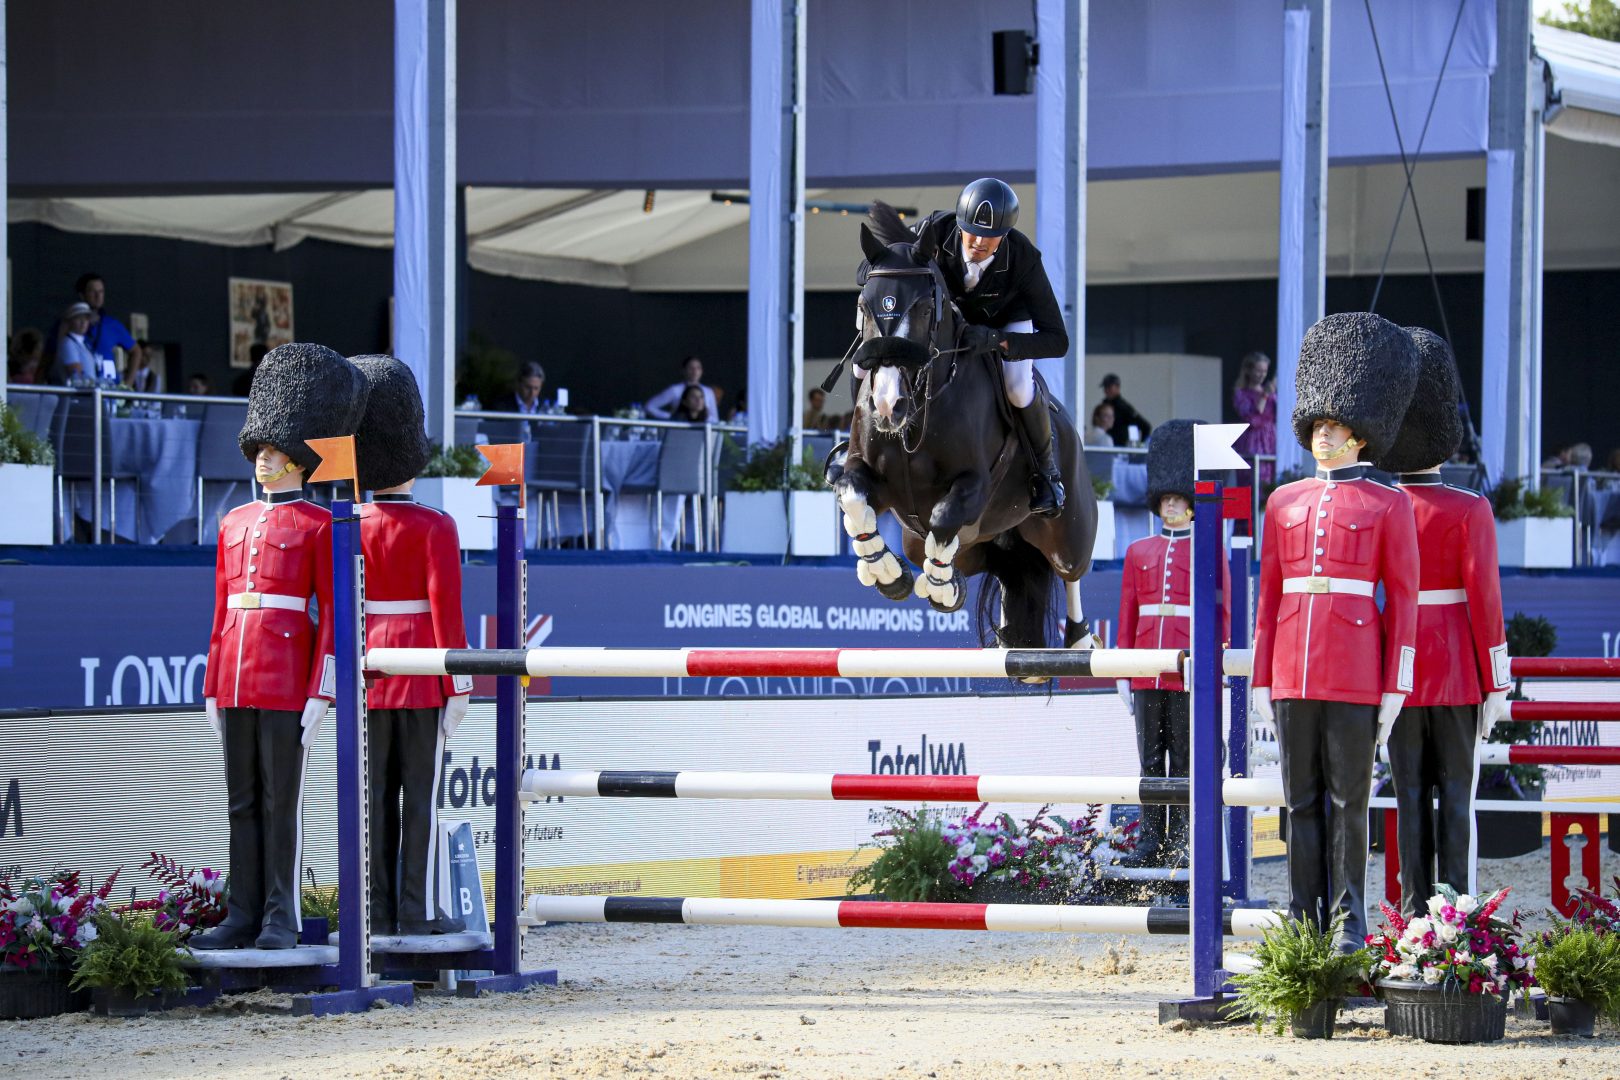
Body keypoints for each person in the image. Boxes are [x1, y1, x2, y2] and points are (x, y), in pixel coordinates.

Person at [1249, 311, 1420, 951]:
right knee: (1298, 803)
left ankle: (1350, 920)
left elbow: (1404, 601)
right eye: (1318, 425)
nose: (1323, 434)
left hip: (1354, 672)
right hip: (1292, 671)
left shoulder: (1388, 503)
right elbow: (1269, 597)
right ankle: (1304, 917)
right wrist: (1263, 675)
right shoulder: (1283, 501)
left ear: (1360, 437)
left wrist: (1396, 684)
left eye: (1336, 426)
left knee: (1351, 802)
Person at [192, 342, 368, 951]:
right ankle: (241, 912)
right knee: (241, 802)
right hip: (237, 676)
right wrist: (213, 684)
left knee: (279, 802)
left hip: (287, 679)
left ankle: (279, 915)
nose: (263, 459)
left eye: (273, 450)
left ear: (297, 459)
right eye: (260, 450)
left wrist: (323, 689)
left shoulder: (320, 525)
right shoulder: (234, 522)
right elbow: (221, 612)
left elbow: (335, 617)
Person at [1374, 328, 1511, 916]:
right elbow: (1486, 603)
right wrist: (1497, 681)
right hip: (1456, 671)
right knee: (1457, 798)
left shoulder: (1380, 504)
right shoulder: (1470, 508)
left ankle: (1412, 915)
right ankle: (1457, 916)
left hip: (1397, 671)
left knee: (1408, 799)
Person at [352, 353, 473, 936]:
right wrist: (461, 683)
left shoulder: (348, 522)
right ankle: (416, 908)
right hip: (424, 669)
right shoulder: (435, 525)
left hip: (369, 669)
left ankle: (375, 910)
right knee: (420, 800)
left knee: (374, 801)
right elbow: (446, 611)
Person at [911, 178, 1068, 515]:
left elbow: (1058, 340)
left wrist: (998, 341)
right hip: (945, 323)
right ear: (959, 223)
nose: (979, 242)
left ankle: (1046, 473)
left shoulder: (1024, 258)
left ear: (1006, 233)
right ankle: (859, 450)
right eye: (972, 232)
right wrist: (869, 269)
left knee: (1018, 388)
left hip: (1003, 324)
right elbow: (889, 256)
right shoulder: (934, 229)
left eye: (991, 235)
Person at [1114, 420, 1229, 867]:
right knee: (1149, 761)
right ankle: (1149, 841)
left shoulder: (1207, 549)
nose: (1171, 505)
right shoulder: (1138, 551)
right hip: (1146, 671)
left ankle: (1180, 841)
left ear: (1192, 505)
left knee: (1182, 759)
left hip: (1186, 671)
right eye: (1166, 499)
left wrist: (1217, 663)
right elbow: (1128, 615)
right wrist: (1122, 672)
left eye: (1178, 499)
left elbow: (1222, 612)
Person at [76, 272, 137, 375]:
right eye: (93, 292)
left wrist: (128, 382)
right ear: (82, 295)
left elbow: (136, 351)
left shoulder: (112, 324)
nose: (98, 296)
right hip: (81, 382)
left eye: (101, 291)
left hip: (107, 383)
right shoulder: (70, 325)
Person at [1231, 352, 1277, 485]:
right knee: (1254, 479)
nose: (1262, 375)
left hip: (1270, 439)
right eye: (1258, 371)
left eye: (1265, 371)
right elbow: (1252, 417)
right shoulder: (1241, 393)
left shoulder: (1270, 393)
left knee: (1271, 480)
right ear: (1249, 371)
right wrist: (1264, 395)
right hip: (1252, 441)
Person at [645, 355, 719, 421]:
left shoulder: (708, 391)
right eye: (691, 368)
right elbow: (649, 406)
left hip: (702, 428)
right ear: (684, 370)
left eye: (698, 368)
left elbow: (715, 418)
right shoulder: (675, 390)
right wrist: (670, 417)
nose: (695, 371)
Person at [57, 302, 110, 382]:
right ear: (70, 321)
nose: (83, 322)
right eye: (79, 318)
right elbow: (76, 375)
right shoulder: (68, 343)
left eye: (86, 318)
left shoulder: (85, 344)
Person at [1098, 374, 1151, 448]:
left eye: (1109, 387)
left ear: (1117, 387)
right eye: (1105, 387)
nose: (1106, 390)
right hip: (1104, 445)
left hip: (1119, 448)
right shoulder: (1104, 405)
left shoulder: (1123, 407)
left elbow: (1145, 426)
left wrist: (1141, 446)